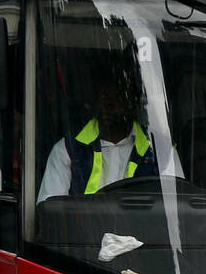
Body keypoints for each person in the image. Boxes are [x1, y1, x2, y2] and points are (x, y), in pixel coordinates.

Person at [37, 79, 182, 203]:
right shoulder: (67, 149)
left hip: (145, 235)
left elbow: (177, 210)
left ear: (135, 105)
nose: (108, 105)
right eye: (104, 97)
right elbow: (51, 211)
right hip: (84, 235)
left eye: (118, 98)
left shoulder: (162, 151)